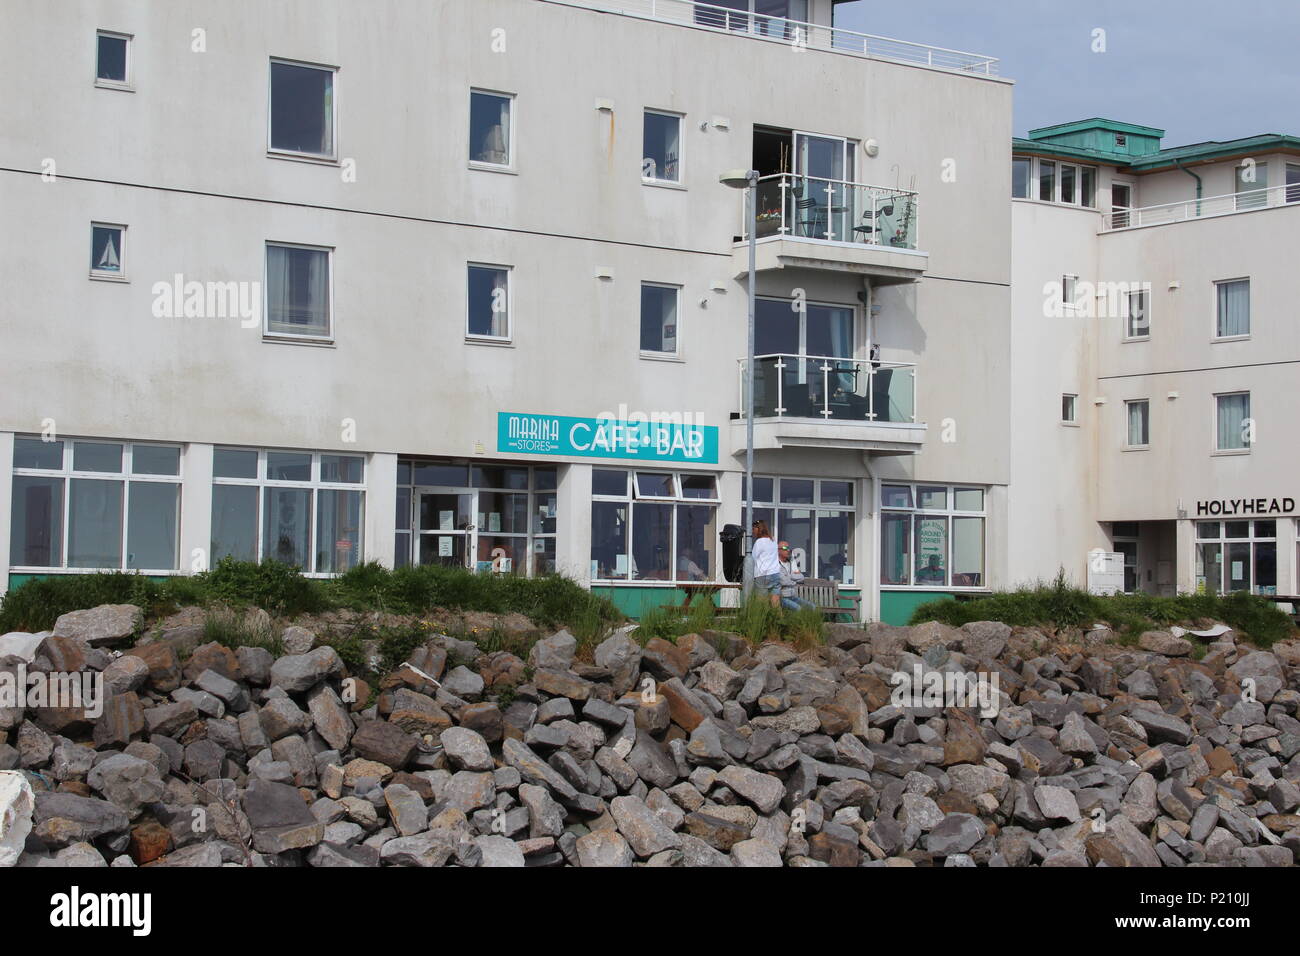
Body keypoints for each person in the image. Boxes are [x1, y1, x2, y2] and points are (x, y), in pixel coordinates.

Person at [750, 520, 781, 607]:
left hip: (763, 574)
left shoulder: (759, 542)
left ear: (758, 529)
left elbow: (753, 558)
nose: (753, 531)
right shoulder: (773, 541)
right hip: (775, 574)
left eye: (753, 529)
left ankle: (762, 619)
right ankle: (779, 619)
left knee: (761, 603)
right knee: (776, 603)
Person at [778, 541, 814, 611]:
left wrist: (789, 576)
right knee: (798, 608)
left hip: (792, 596)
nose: (788, 550)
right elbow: (783, 581)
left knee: (812, 607)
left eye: (789, 548)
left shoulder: (790, 563)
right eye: (785, 548)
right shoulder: (776, 564)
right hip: (782, 597)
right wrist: (794, 581)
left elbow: (801, 577)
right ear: (779, 550)